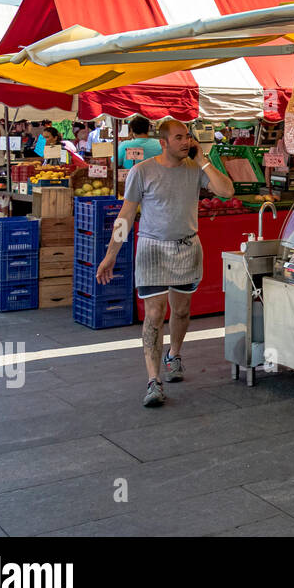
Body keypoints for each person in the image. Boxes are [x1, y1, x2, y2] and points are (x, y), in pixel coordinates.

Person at [96, 120, 234, 408]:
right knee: (155, 314)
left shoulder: (196, 169)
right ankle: (153, 380)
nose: (186, 142)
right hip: (151, 248)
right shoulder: (142, 171)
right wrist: (111, 254)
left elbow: (227, 192)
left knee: (182, 311)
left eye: (188, 137)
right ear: (163, 142)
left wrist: (204, 160)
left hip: (187, 247)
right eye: (179, 137)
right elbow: (126, 215)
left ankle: (175, 354)